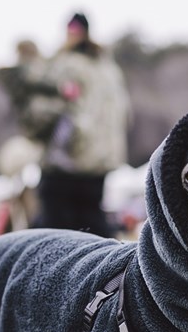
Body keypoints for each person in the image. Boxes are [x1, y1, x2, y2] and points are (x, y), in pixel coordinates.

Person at [29, 12, 131, 237]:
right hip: (101, 160)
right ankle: (110, 270)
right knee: (93, 227)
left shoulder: (68, 64)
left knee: (54, 233)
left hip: (68, 158)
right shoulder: (109, 69)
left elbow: (45, 105)